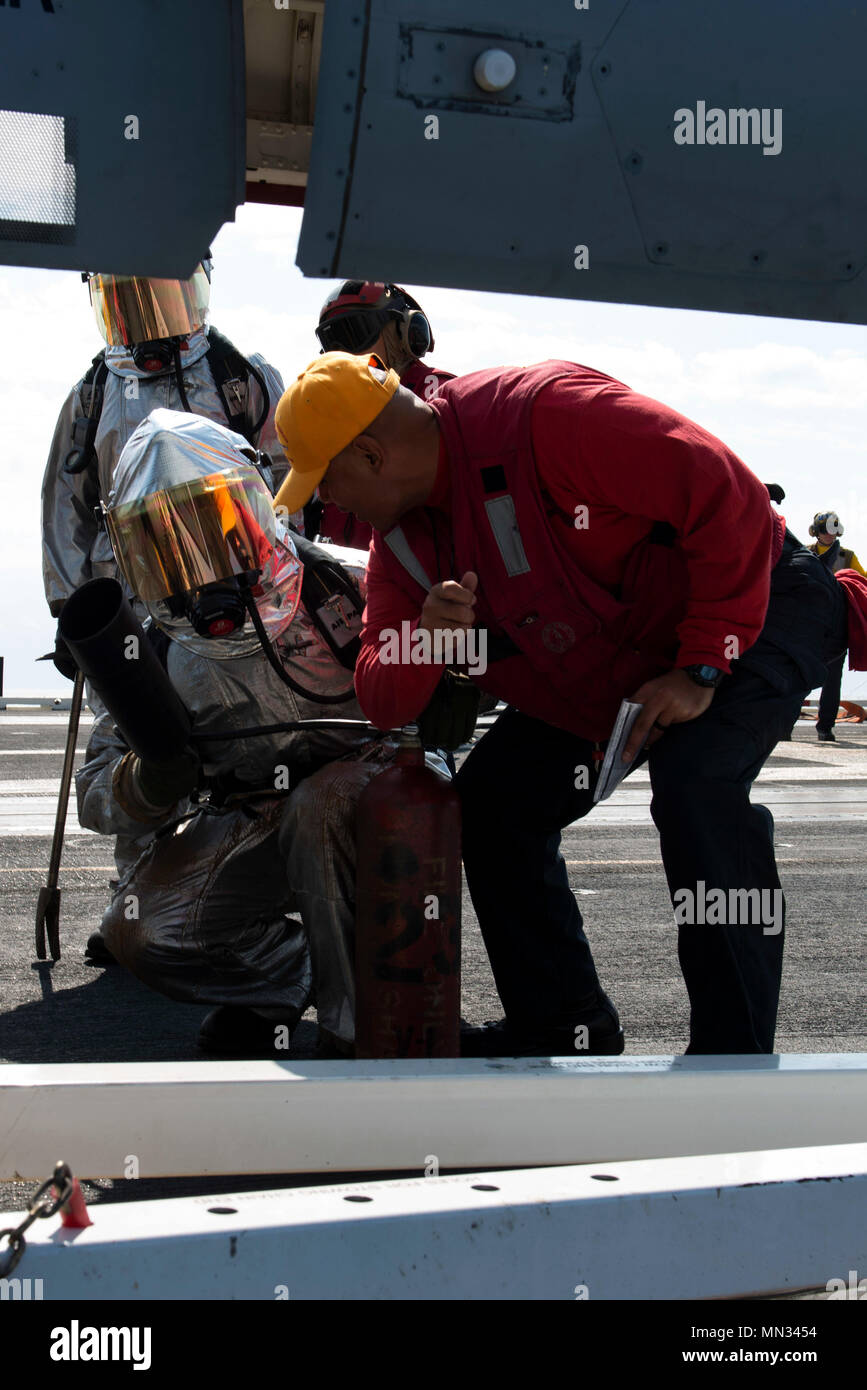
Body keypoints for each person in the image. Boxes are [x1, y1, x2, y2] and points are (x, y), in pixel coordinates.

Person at [271, 352, 848, 1056]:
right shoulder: (403, 547)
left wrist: (700, 665)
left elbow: (720, 490)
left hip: (750, 605)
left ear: (369, 452)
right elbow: (381, 697)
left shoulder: (545, 415)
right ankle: (565, 1027)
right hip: (612, 668)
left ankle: (732, 1059)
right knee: (491, 807)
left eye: (329, 480)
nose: (330, 502)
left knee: (697, 786)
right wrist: (423, 642)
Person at [75, 408, 446, 1056]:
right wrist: (148, 778)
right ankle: (282, 983)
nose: (194, 558)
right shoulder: (154, 648)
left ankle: (364, 1031)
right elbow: (94, 792)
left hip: (380, 807)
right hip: (253, 814)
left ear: (255, 507)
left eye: (212, 522)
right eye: (163, 540)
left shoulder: (352, 582)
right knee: (141, 930)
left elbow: (450, 709)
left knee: (320, 803)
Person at [41, 258, 291, 959]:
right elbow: (64, 507)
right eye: (129, 295)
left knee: (239, 746)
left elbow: (285, 480)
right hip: (128, 604)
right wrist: (70, 609)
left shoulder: (245, 373)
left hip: (228, 595)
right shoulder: (92, 394)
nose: (146, 312)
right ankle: (136, 907)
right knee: (141, 750)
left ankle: (237, 898)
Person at [290, 281, 453, 547]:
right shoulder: (327, 412)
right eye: (333, 343)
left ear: (406, 333)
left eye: (355, 333)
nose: (344, 354)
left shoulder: (440, 399)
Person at [807, 512, 866, 741]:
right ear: (817, 531)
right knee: (795, 674)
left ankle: (825, 727)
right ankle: (784, 727)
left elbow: (862, 579)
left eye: (832, 531)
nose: (828, 535)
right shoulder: (805, 552)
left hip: (836, 628)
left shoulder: (847, 556)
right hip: (808, 624)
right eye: (824, 531)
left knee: (833, 678)